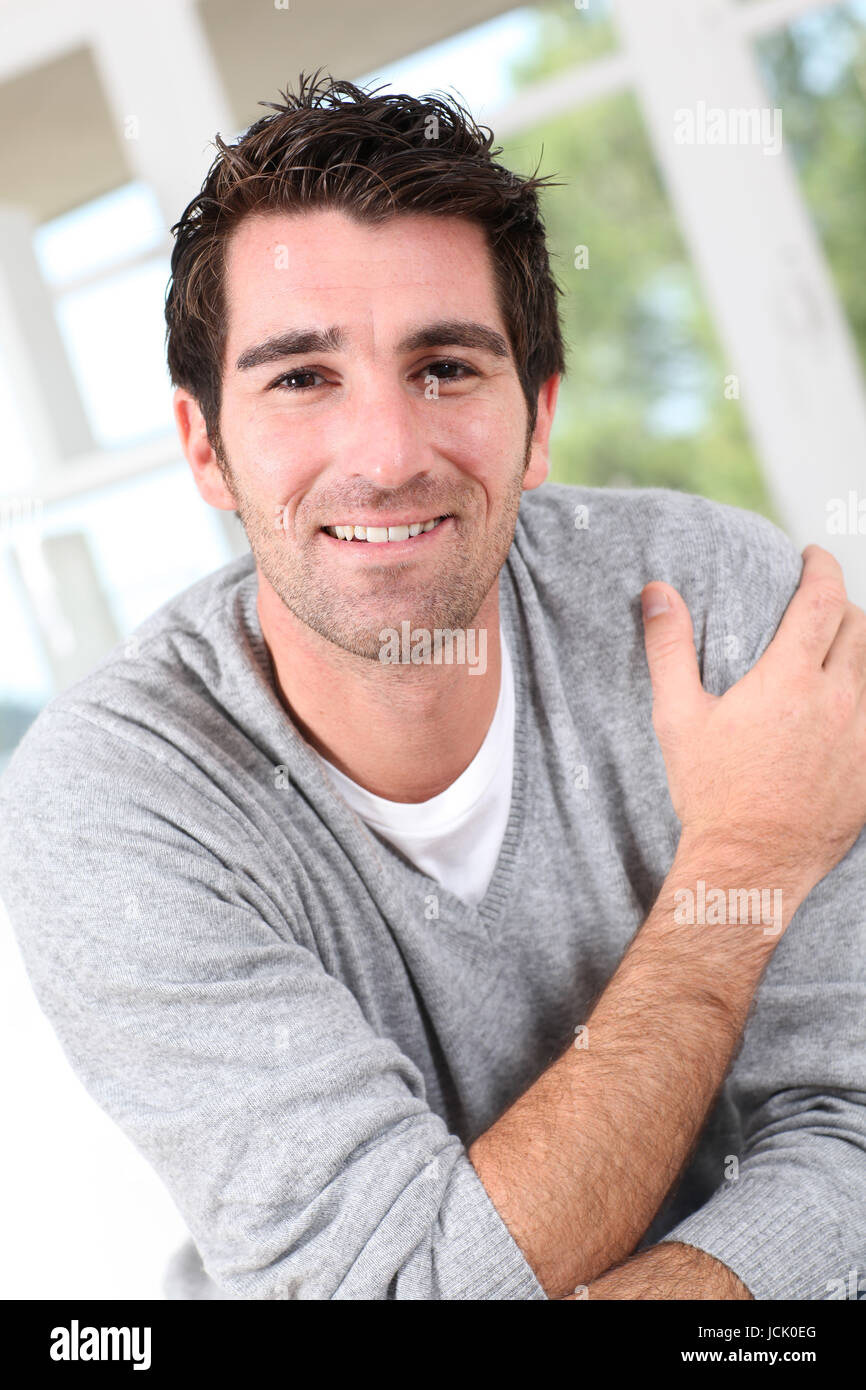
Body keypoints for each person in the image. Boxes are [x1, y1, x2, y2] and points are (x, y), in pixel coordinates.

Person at [1, 72, 865, 1302]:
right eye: (301, 378)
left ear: (538, 419)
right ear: (206, 449)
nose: (388, 456)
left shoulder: (721, 601)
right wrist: (743, 861)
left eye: (446, 367)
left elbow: (853, 1121)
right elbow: (401, 1289)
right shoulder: (111, 798)